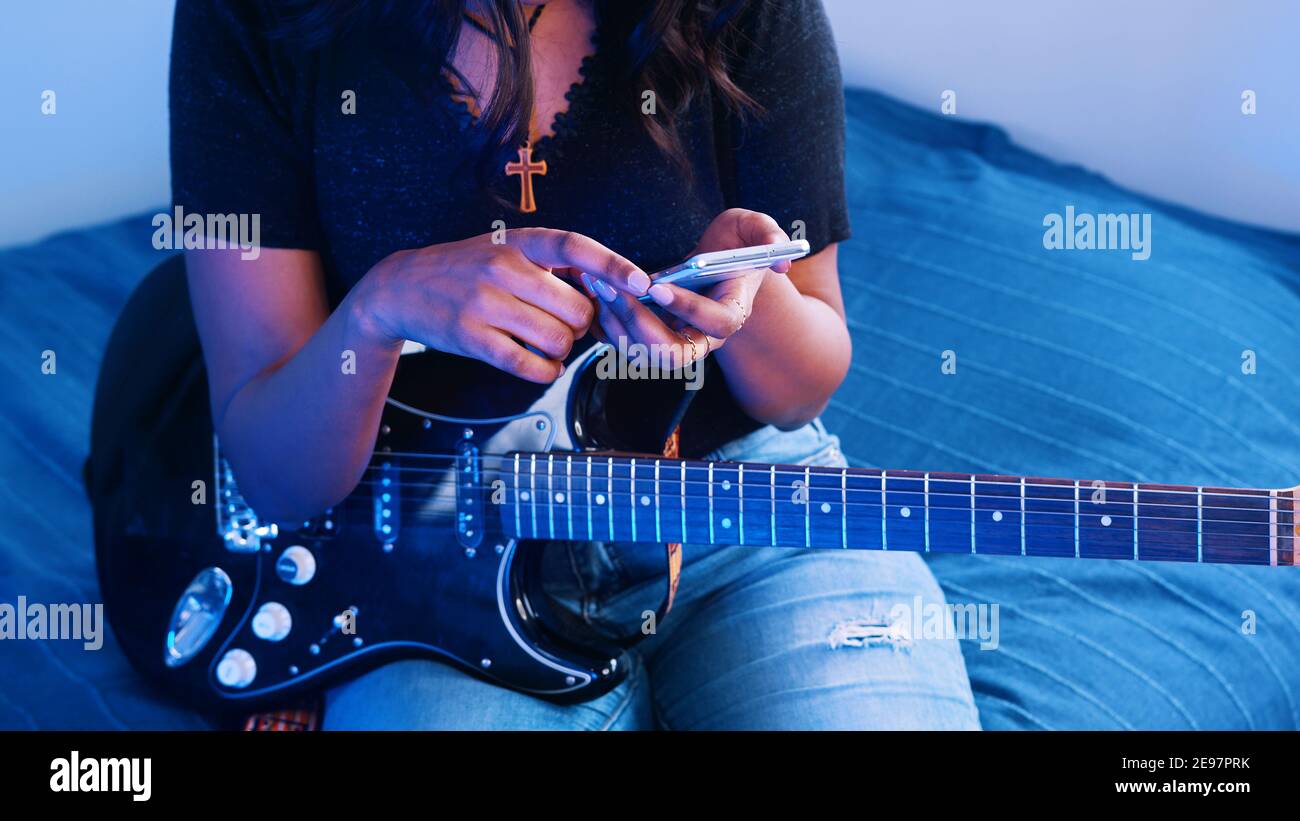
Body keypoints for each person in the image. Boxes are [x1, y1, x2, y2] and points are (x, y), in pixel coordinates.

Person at [159, 0, 979, 729]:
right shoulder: (249, 17)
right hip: (432, 549)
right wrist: (377, 310)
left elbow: (804, 387)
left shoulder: (748, 12)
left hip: (740, 511)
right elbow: (275, 473)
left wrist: (746, 296)